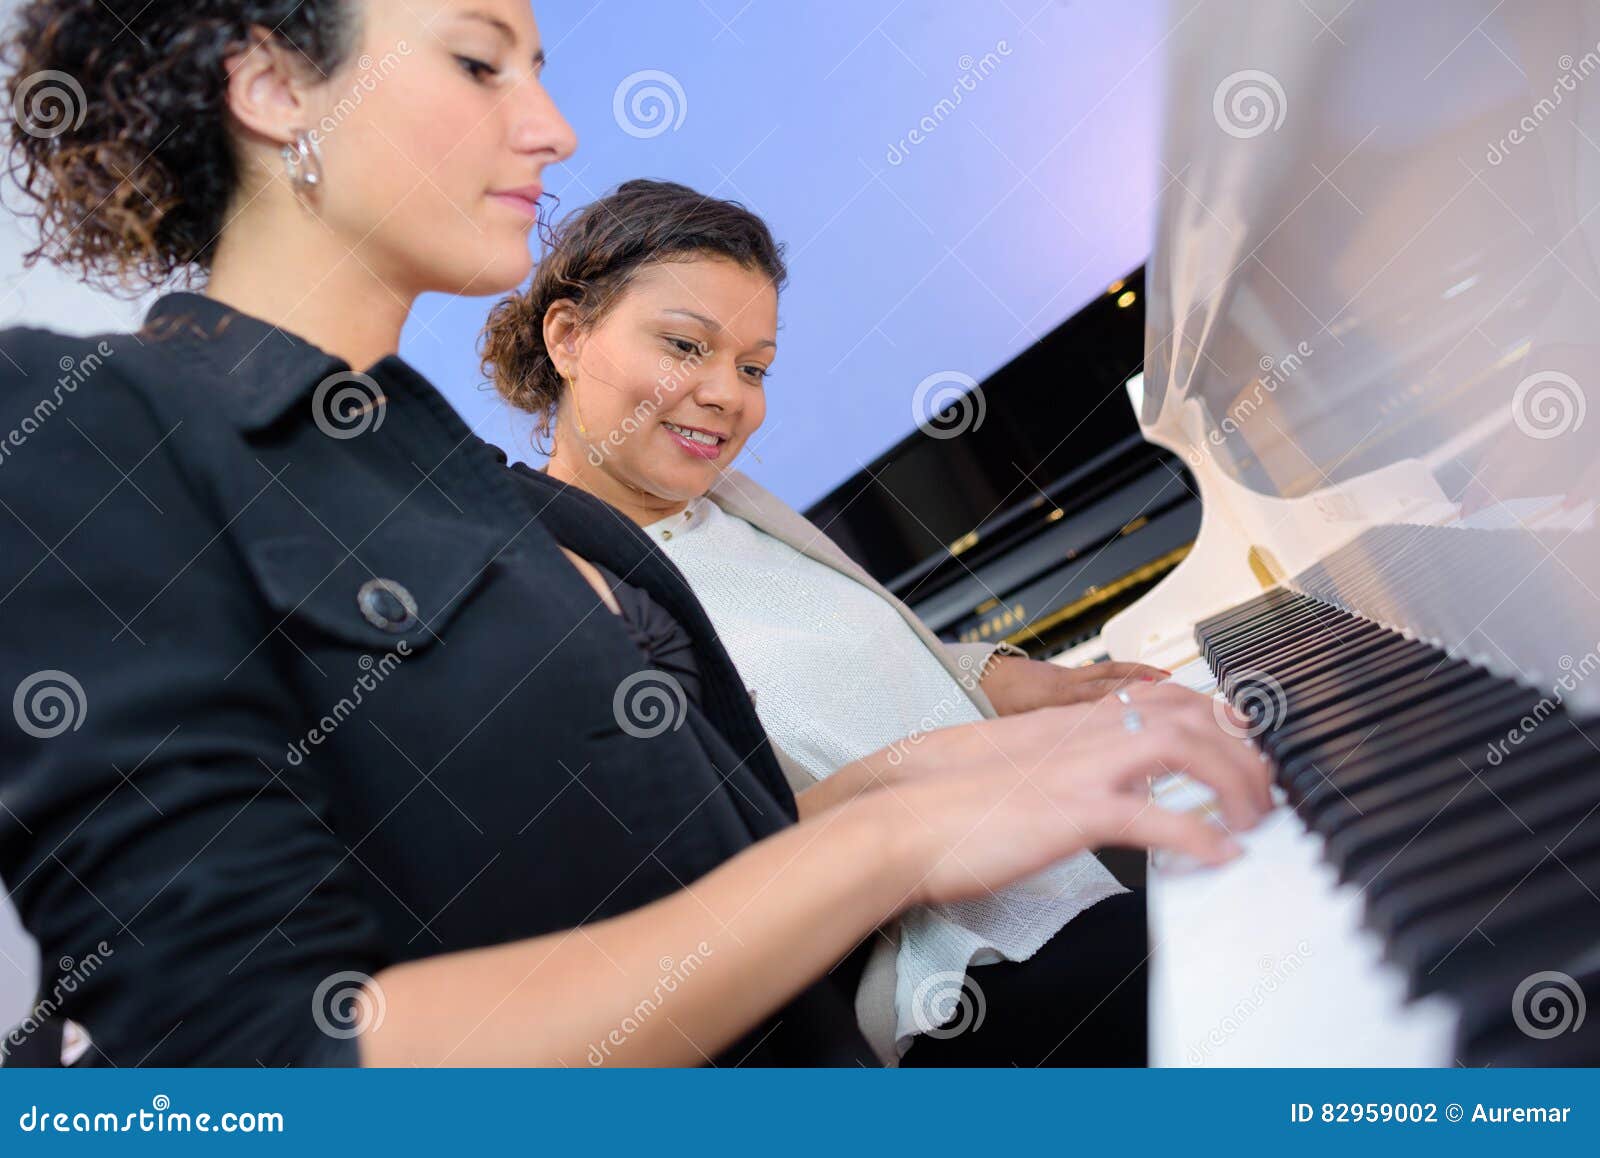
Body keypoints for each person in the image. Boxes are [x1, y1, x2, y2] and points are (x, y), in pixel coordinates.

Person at [0, 0, 1268, 1067]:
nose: (549, 126)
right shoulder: (81, 426)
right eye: (479, 60)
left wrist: (971, 768)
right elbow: (249, 1062)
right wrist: (892, 841)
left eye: (541, 73)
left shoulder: (502, 500)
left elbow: (726, 851)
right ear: (276, 86)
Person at [481, 179, 1186, 1064]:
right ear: (569, 336)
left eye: (752, 366)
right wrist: (908, 785)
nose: (725, 395)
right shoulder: (556, 587)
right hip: (956, 990)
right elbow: (691, 870)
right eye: (685, 346)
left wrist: (1026, 680)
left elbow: (865, 659)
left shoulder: (730, 503)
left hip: (1065, 889)